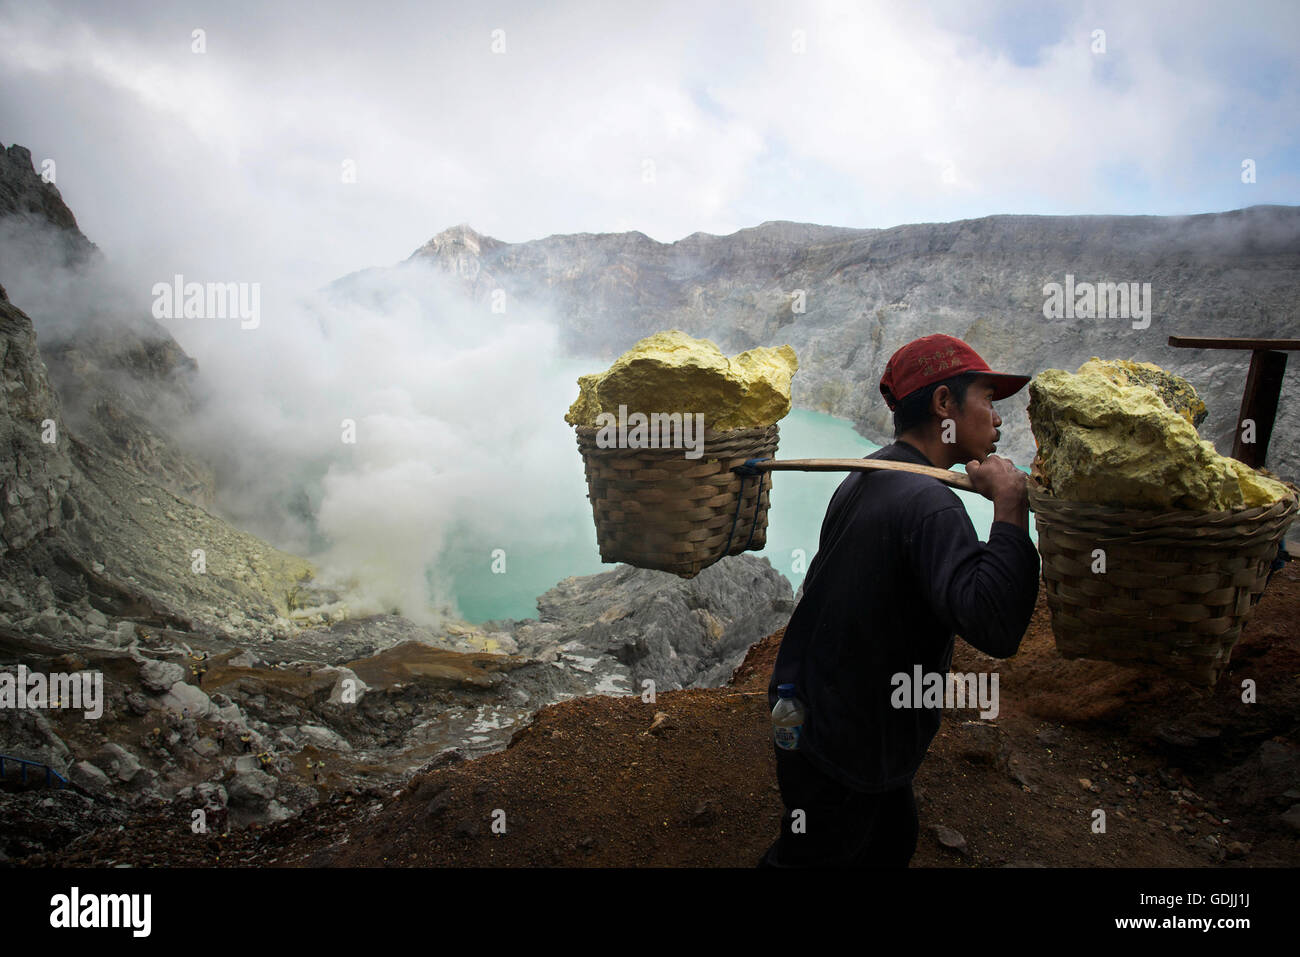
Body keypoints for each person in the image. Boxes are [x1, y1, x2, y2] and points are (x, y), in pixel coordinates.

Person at [760, 334, 1041, 868]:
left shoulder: (875, 472)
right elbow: (996, 626)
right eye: (987, 399)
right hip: (851, 733)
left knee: (888, 837)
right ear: (944, 405)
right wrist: (1010, 506)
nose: (998, 419)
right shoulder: (930, 505)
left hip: (821, 709)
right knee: (814, 856)